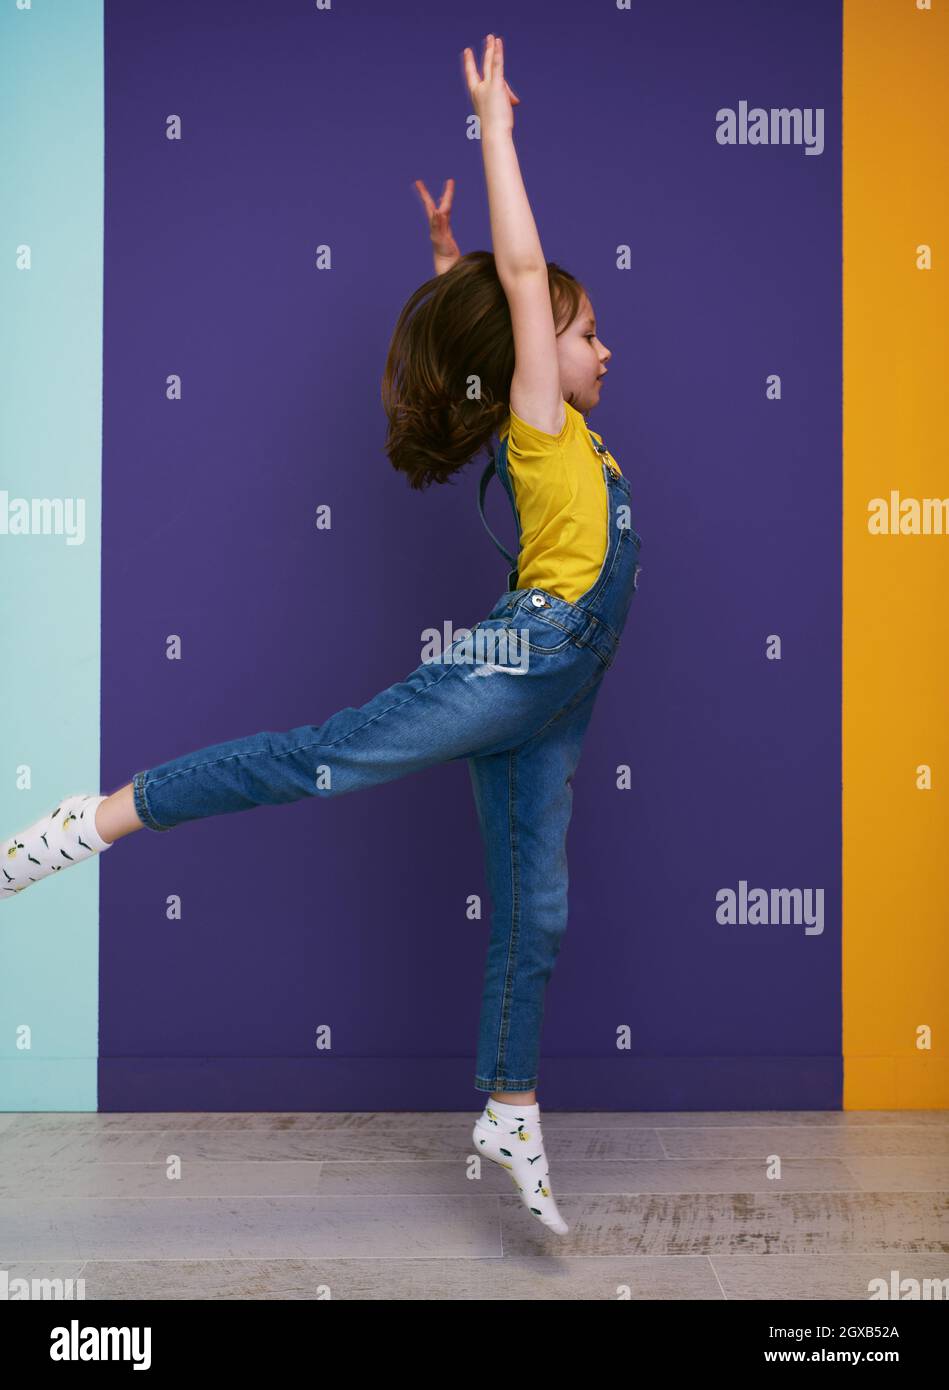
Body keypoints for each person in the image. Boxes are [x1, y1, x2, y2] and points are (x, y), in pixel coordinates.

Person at [1, 34, 643, 1237]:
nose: (604, 345)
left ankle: (509, 1107)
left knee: (535, 905)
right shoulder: (544, 426)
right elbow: (517, 286)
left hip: (562, 693)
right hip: (520, 659)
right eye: (584, 329)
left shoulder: (564, 436)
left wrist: (443, 260)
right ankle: (85, 824)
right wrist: (495, 133)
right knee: (319, 756)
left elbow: (492, 311)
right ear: (530, 362)